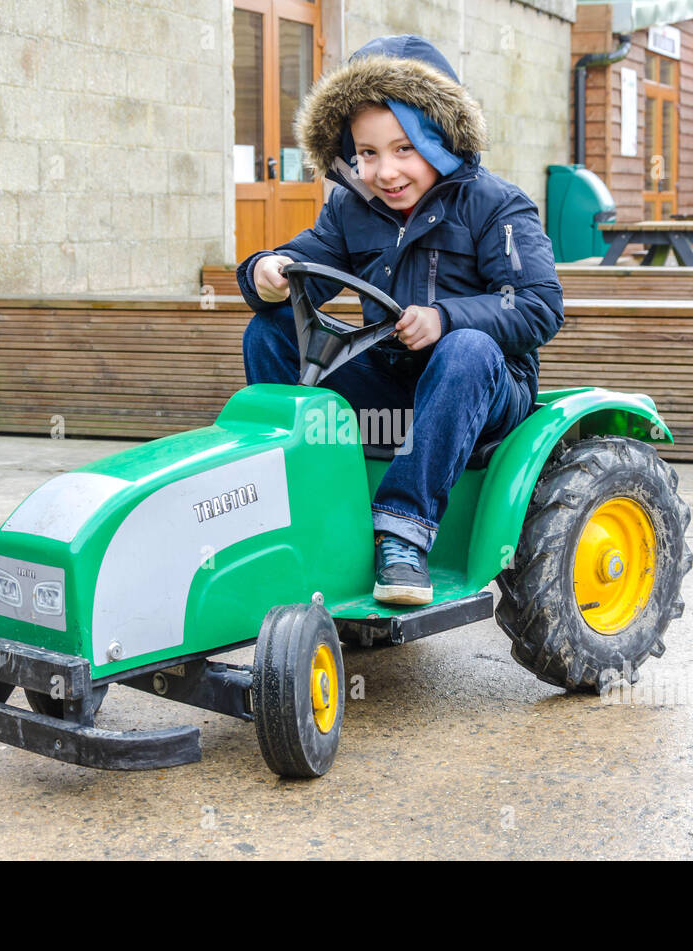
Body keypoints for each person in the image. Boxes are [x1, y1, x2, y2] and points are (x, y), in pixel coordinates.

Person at [237, 34, 563, 606]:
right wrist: (268, 269)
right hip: (390, 382)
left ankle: (402, 534)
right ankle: (301, 504)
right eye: (367, 153)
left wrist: (444, 318)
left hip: (484, 390)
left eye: (404, 148)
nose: (384, 171)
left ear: (443, 139)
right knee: (269, 331)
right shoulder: (351, 207)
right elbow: (306, 262)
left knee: (467, 347)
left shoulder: (495, 205)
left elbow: (538, 304)